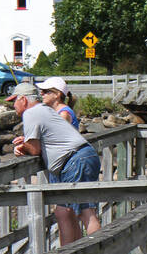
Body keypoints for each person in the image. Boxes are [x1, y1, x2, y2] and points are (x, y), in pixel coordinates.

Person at [9, 83, 101, 245]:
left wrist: (23, 147)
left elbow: (35, 149)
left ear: (23, 100)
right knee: (63, 212)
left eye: (14, 100)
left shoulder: (30, 113)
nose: (13, 105)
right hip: (77, 158)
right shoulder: (44, 110)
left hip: (75, 160)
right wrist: (26, 142)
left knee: (86, 212)